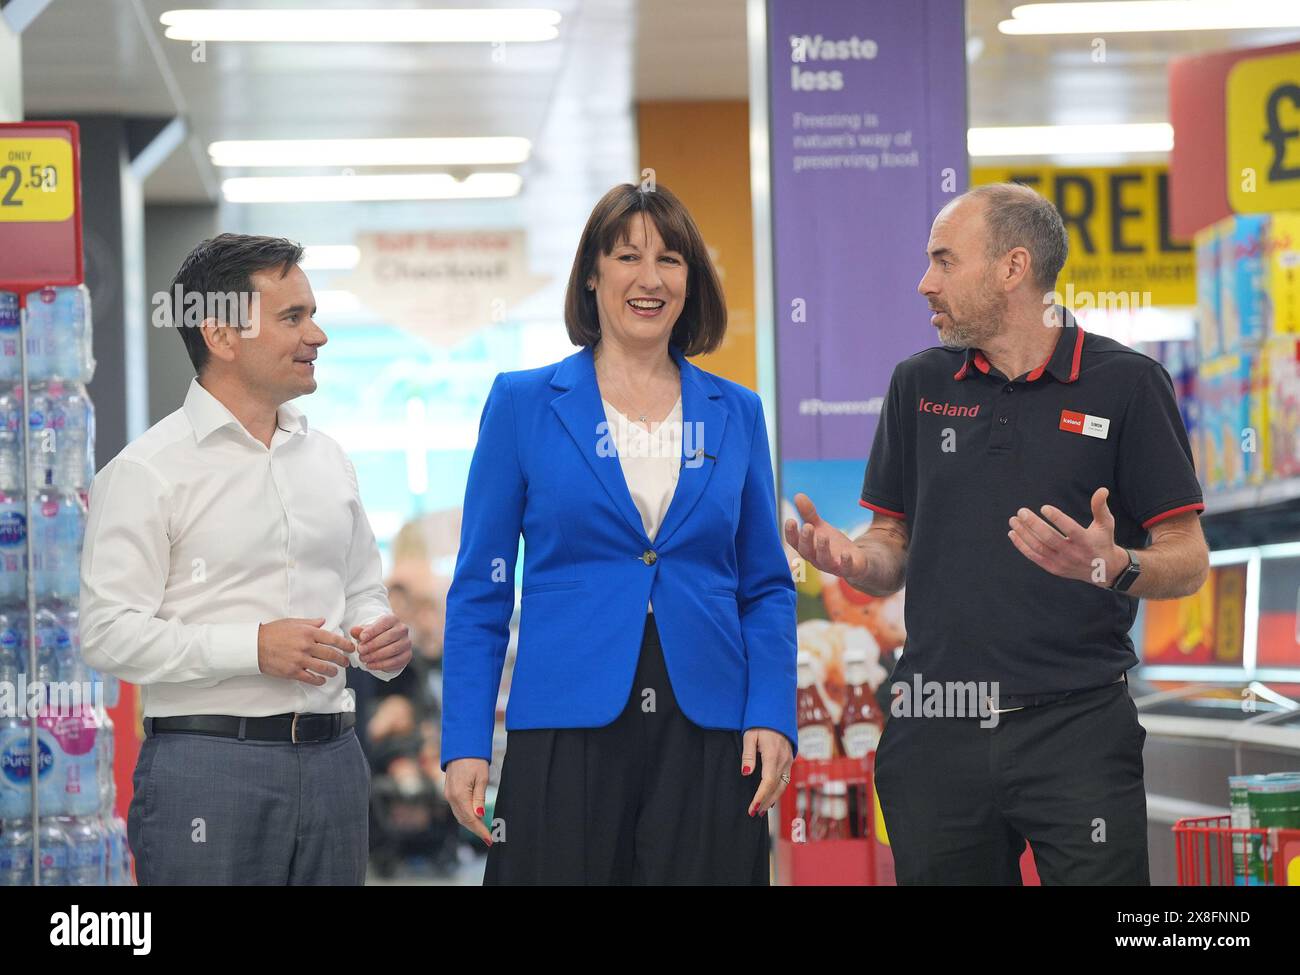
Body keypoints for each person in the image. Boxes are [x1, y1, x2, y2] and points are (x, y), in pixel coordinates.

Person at [786, 183, 1209, 885]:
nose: (925, 283)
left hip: (1076, 730)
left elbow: (1188, 557)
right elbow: (890, 544)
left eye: (944, 261)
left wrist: (1113, 564)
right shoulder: (917, 384)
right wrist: (855, 558)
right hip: (934, 728)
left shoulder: (1128, 385)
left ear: (1013, 267)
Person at [441, 182, 798, 885]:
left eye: (670, 259)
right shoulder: (523, 404)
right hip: (566, 716)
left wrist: (774, 712)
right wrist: (464, 740)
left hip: (710, 720)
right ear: (592, 274)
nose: (649, 277)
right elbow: (480, 591)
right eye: (627, 255)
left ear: (690, 282)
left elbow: (765, 587)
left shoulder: (738, 412)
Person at [80, 233, 412, 885]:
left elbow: (362, 589)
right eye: (293, 317)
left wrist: (380, 632)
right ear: (222, 335)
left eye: (312, 314)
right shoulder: (146, 472)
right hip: (206, 771)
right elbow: (105, 632)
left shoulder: (330, 461)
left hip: (336, 762)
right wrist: (251, 646)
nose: (317, 336)